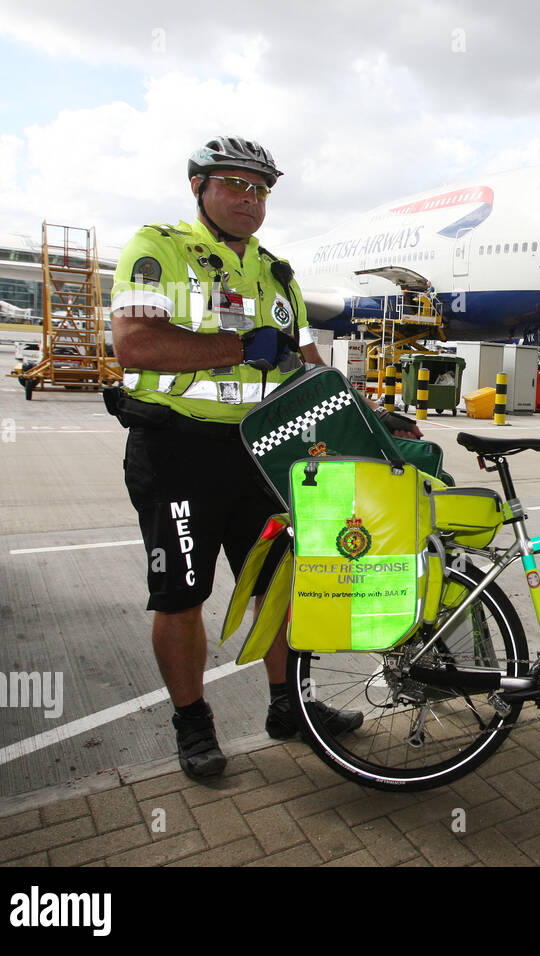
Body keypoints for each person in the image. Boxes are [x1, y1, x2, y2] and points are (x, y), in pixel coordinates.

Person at [109, 136, 363, 779]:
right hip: (177, 450)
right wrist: (238, 344)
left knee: (280, 584)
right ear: (199, 187)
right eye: (234, 185)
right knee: (181, 595)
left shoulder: (279, 273)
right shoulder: (159, 248)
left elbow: (304, 362)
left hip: (262, 452)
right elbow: (135, 343)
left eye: (261, 189)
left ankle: (290, 709)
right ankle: (193, 725)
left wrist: (362, 410)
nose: (250, 199)